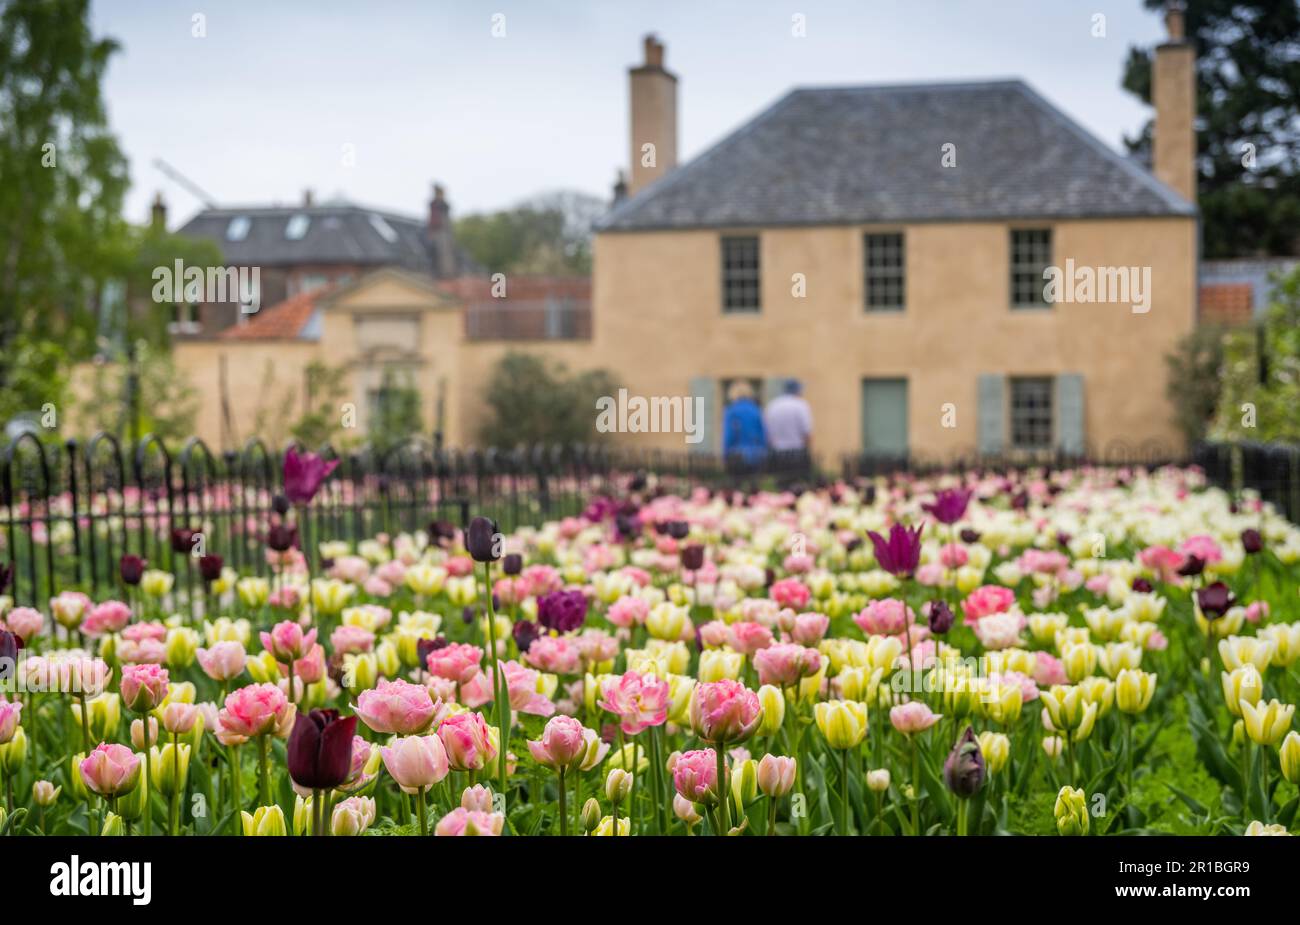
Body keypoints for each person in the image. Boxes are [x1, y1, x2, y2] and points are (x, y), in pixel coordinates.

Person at [763, 379, 813, 480]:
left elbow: (767, 432)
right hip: (797, 453)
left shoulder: (772, 405)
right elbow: (807, 432)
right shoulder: (801, 405)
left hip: (777, 454)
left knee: (781, 486)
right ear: (798, 391)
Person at [721, 380, 766, 477]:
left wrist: (725, 456)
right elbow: (762, 435)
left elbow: (729, 436)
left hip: (736, 456)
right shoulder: (756, 410)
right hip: (756, 455)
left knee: (737, 488)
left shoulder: (732, 410)